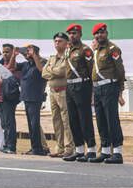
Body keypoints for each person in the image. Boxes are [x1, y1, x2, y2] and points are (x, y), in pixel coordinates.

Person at [90, 22, 125, 163]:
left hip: (110, 87)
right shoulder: (96, 51)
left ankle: (117, 152)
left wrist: (120, 91)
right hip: (98, 89)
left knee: (112, 120)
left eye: (102, 32)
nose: (99, 35)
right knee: (101, 120)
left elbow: (120, 71)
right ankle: (105, 151)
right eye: (97, 33)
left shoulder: (113, 49)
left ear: (106, 33)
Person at [62, 23, 97, 162]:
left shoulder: (85, 50)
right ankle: (79, 149)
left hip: (82, 85)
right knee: (73, 119)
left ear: (80, 35)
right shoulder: (67, 50)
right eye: (70, 34)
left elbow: (91, 70)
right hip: (70, 87)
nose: (72, 36)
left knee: (85, 118)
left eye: (74, 33)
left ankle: (92, 149)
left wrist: (91, 88)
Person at [42, 31, 74, 157]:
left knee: (66, 121)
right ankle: (59, 147)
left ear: (67, 43)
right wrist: (52, 71)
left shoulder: (67, 57)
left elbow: (62, 71)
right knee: (56, 120)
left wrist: (51, 70)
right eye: (55, 41)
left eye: (60, 41)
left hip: (63, 91)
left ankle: (69, 147)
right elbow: (44, 73)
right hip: (53, 92)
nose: (57, 43)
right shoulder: (52, 58)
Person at [19, 44, 47, 155]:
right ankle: (34, 147)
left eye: (28, 52)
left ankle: (38, 149)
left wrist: (34, 55)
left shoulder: (42, 61)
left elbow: (42, 71)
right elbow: (11, 68)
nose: (26, 54)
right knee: (31, 125)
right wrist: (15, 54)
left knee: (34, 124)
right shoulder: (27, 64)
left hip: (36, 97)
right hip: (26, 97)